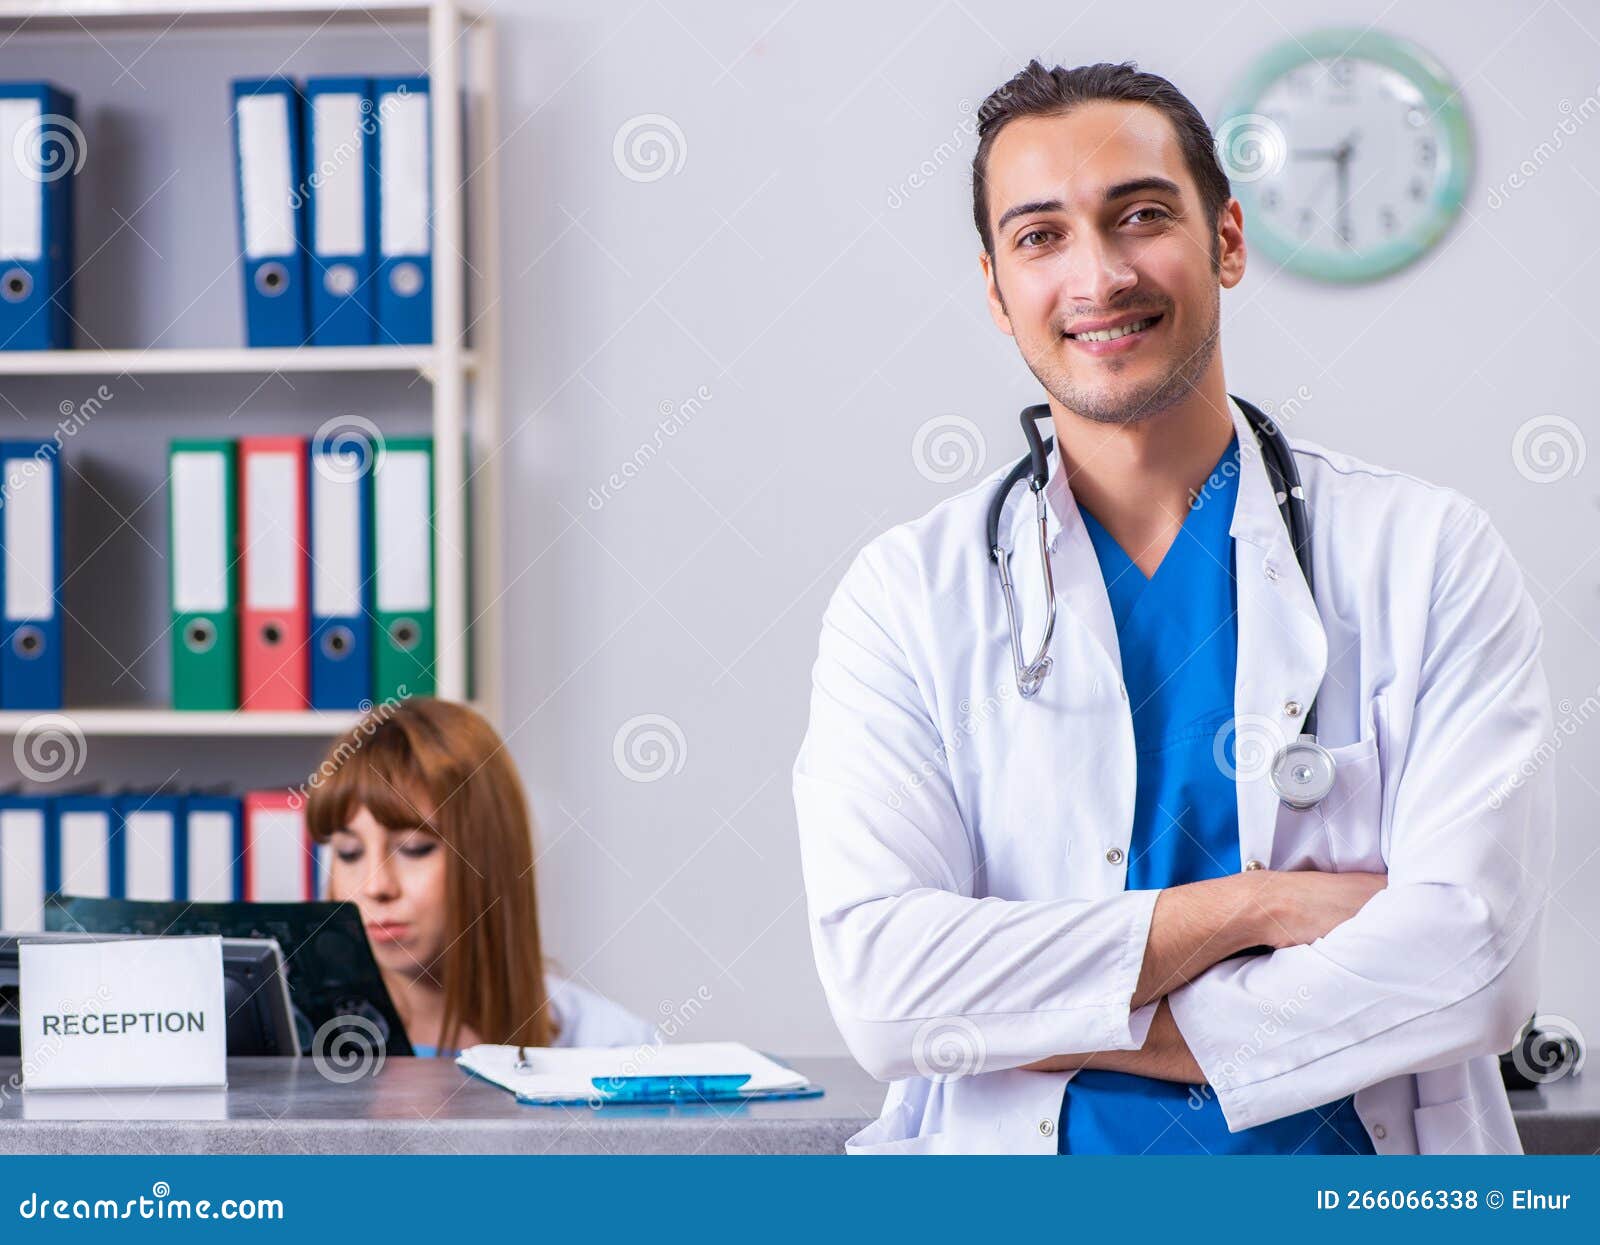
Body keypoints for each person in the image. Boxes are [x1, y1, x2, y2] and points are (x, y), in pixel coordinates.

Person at [793, 60, 1555, 1155]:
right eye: (1040, 236)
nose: (1098, 276)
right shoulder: (906, 595)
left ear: (1226, 242)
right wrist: (1254, 910)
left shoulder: (1424, 554)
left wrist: (1045, 1014)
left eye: (1139, 215)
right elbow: (884, 990)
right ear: (997, 288)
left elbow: (1469, 967)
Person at [306, 697, 657, 1057]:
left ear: (488, 858)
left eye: (414, 849)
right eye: (349, 853)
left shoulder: (613, 1049)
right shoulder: (285, 1040)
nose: (376, 886)